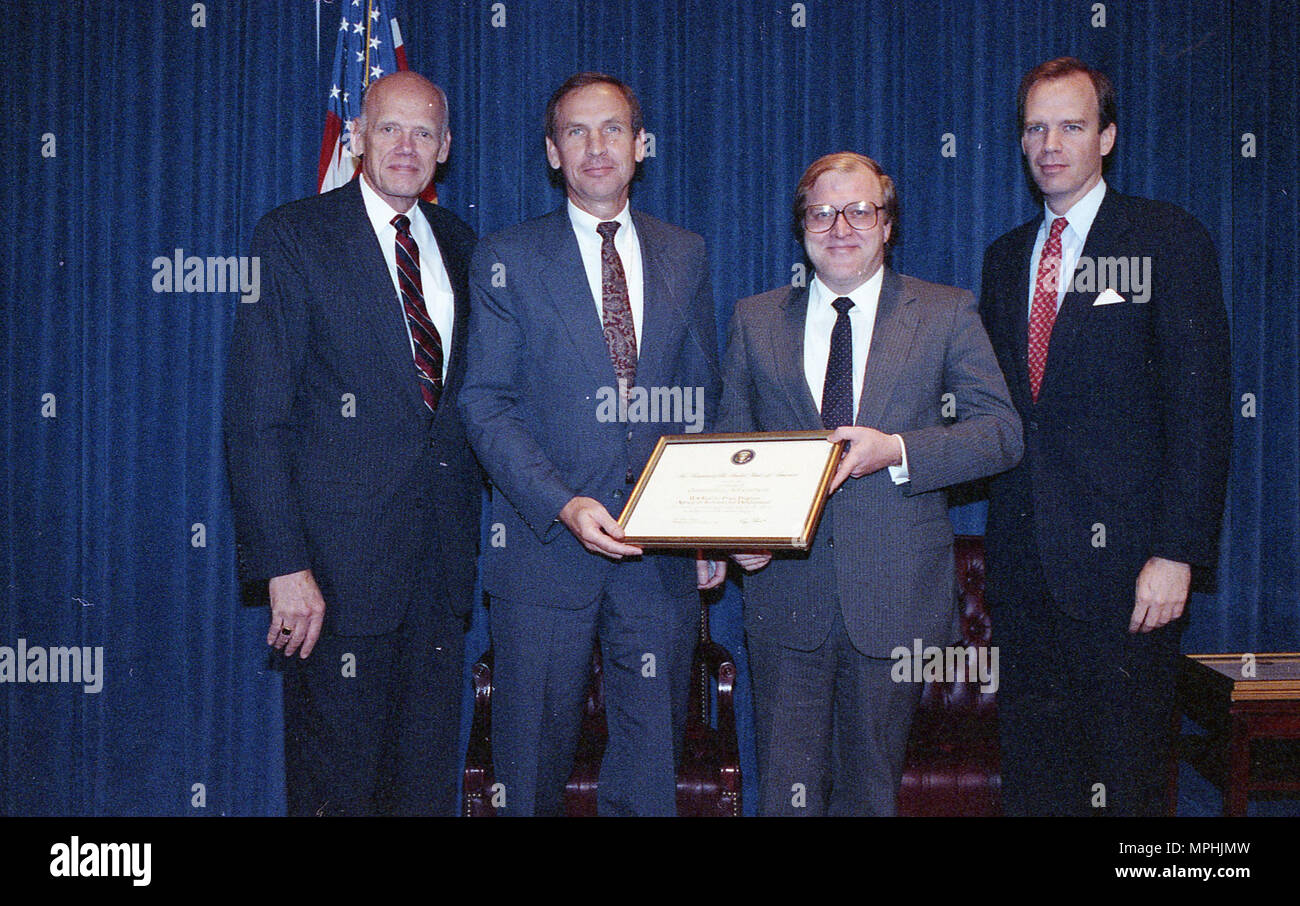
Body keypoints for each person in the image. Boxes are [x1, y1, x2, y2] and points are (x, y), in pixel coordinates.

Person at [719, 152, 1023, 815]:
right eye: (822, 212)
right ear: (801, 226)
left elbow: (1001, 433)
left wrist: (898, 450)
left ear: (888, 225)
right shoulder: (755, 319)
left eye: (860, 210)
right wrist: (734, 539)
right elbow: (730, 451)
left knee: (870, 798)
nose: (841, 226)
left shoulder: (945, 312)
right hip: (784, 599)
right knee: (785, 799)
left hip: (896, 601)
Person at [457, 72, 724, 816]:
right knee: (531, 774)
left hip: (660, 562)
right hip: (544, 555)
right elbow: (485, 402)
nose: (596, 146)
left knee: (650, 779)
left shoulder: (686, 253)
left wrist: (707, 529)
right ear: (552, 153)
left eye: (612, 129)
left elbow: (700, 398)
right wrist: (562, 504)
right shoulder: (506, 258)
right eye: (576, 131)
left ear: (641, 146)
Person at [223, 72, 481, 816]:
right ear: (358, 136)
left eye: (424, 132)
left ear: (446, 147)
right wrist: (284, 566)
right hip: (332, 584)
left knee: (424, 794)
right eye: (390, 129)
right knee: (334, 795)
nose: (407, 146)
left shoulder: (463, 246)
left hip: (438, 579)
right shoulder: (294, 235)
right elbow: (255, 418)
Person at [979, 57, 1232, 816]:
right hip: (1025, 578)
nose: (1050, 143)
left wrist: (1179, 551)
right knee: (1036, 790)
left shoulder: (1164, 237)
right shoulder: (1003, 259)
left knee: (1127, 792)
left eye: (1072, 125)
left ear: (1108, 136)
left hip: (1129, 578)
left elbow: (1202, 407)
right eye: (1035, 127)